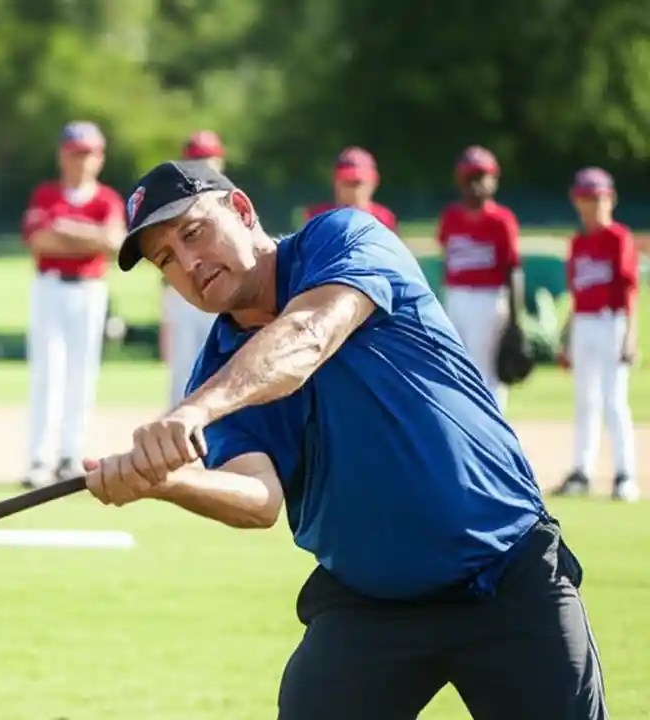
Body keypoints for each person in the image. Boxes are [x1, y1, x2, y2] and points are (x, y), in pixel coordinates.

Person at [84, 159, 606, 718]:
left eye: (192, 232)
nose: (188, 263)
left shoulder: (343, 238)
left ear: (240, 209)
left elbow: (308, 336)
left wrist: (193, 411)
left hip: (505, 572)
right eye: (166, 259)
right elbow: (258, 500)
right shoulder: (218, 369)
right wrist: (169, 481)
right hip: (370, 604)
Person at [20, 121, 126, 487]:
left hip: (89, 288)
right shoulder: (46, 194)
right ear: (62, 155)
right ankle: (39, 456)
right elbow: (39, 241)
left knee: (82, 373)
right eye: (75, 152)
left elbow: (115, 243)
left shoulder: (106, 199)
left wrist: (67, 230)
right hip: (50, 287)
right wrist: (91, 237)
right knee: (47, 371)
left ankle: (69, 454)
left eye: (88, 153)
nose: (81, 161)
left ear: (99, 158)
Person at [554, 167, 639, 502]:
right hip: (585, 323)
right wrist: (567, 337)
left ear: (611, 199)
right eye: (586, 197)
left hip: (612, 321)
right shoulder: (578, 242)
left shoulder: (618, 237)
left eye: (599, 197)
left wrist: (630, 334)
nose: (592, 204)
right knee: (585, 401)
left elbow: (629, 288)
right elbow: (577, 294)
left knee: (614, 400)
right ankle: (582, 471)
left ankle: (624, 474)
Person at [436, 145, 523, 409]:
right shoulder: (450, 216)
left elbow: (513, 270)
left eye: (480, 177)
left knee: (488, 374)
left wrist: (515, 319)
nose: (473, 185)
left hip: (489, 298)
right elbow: (447, 258)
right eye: (468, 178)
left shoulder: (501, 220)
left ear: (493, 180)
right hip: (455, 296)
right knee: (454, 367)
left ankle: (494, 436)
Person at [162, 131, 225, 405]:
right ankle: (176, 438)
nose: (203, 165)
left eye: (207, 158)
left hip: (222, 292)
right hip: (183, 293)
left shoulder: (231, 199)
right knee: (182, 372)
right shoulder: (171, 201)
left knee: (219, 368)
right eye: (196, 159)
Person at [303, 146, 397, 231]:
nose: (353, 190)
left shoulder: (384, 218)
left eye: (358, 183)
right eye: (347, 183)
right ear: (335, 184)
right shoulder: (318, 217)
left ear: (373, 183)